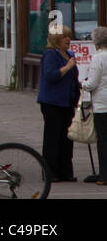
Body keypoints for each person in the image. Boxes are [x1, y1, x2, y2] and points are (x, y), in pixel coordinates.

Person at [37, 22, 79, 181]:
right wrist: (67, 67)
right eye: (64, 37)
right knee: (52, 138)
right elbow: (50, 76)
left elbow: (73, 78)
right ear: (56, 39)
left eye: (69, 36)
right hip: (52, 102)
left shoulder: (70, 55)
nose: (68, 39)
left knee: (66, 138)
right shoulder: (50, 55)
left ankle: (65, 171)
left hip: (67, 102)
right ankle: (50, 172)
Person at [80, 26, 107, 185]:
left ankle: (104, 175)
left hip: (102, 105)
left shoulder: (99, 58)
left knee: (103, 141)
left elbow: (92, 83)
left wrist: (82, 84)